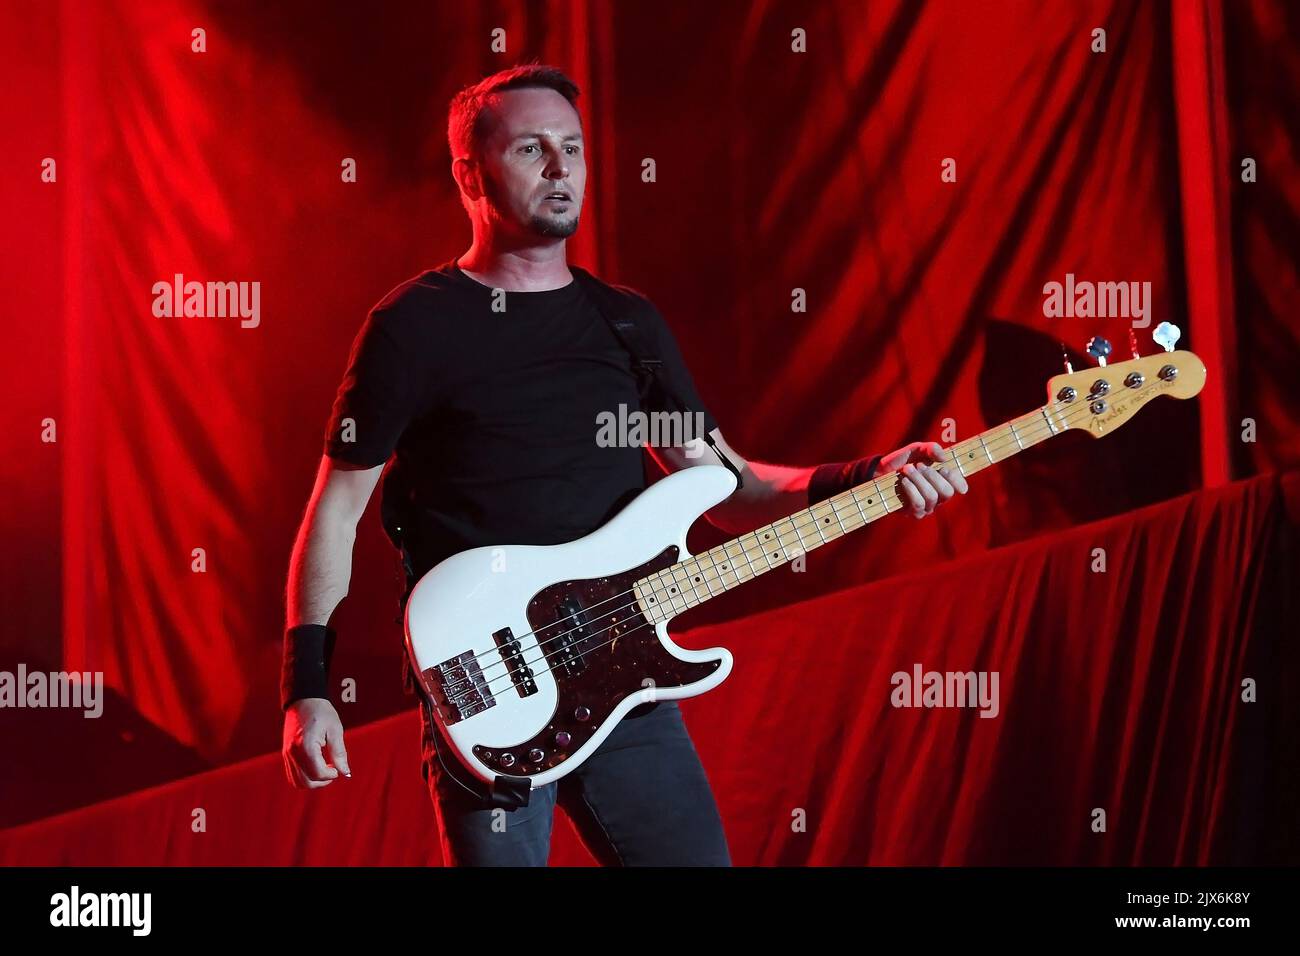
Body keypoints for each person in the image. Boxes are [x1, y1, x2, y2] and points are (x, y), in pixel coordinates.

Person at [279, 64, 968, 866]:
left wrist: (874, 472)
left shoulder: (625, 326)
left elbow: (728, 487)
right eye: (532, 148)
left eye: (571, 148)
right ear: (469, 172)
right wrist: (308, 689)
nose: (560, 167)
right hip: (483, 681)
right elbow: (335, 510)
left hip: (626, 673)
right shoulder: (413, 327)